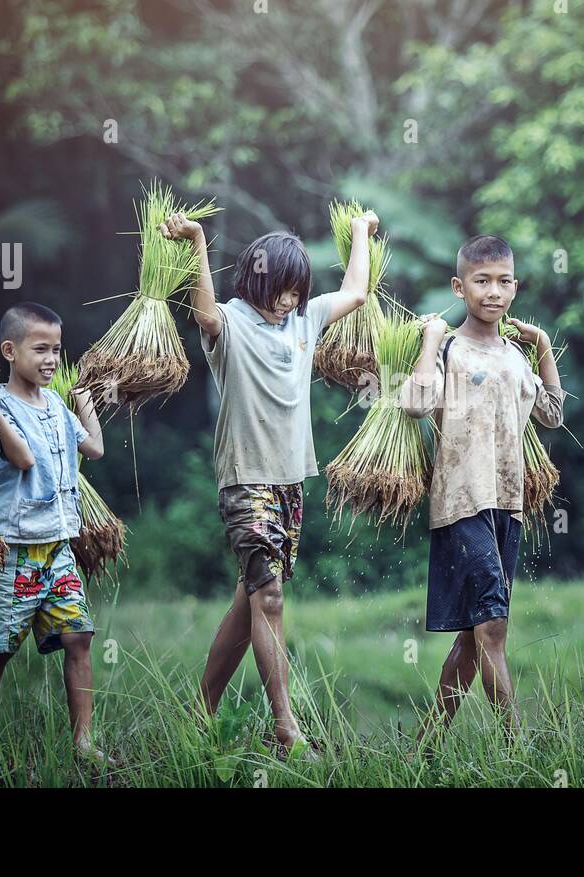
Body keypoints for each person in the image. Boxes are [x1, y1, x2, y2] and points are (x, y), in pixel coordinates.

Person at [161, 208, 379, 756]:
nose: (286, 302)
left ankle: (198, 713)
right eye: (279, 290)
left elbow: (354, 290)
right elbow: (205, 315)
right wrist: (196, 245)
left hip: (289, 482)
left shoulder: (304, 320)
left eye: (295, 292)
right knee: (271, 597)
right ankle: (287, 728)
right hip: (246, 481)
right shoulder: (231, 323)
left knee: (253, 598)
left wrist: (359, 235)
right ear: (256, 280)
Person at [400, 234, 566, 742]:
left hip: (507, 506)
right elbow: (413, 404)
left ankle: (422, 752)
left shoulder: (517, 357)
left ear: (515, 288)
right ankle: (518, 749)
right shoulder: (450, 347)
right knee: (492, 627)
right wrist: (429, 341)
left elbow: (554, 415)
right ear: (460, 286)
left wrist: (541, 348)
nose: (493, 291)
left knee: (476, 638)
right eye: (481, 281)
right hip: (462, 502)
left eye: (503, 282)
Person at [0, 301, 108, 762]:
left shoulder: (57, 403)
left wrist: (86, 404)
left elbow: (95, 449)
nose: (51, 359)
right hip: (14, 553)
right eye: (40, 348)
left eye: (57, 350)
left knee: (79, 637)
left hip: (57, 547)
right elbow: (22, 459)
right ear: (10, 350)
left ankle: (83, 744)